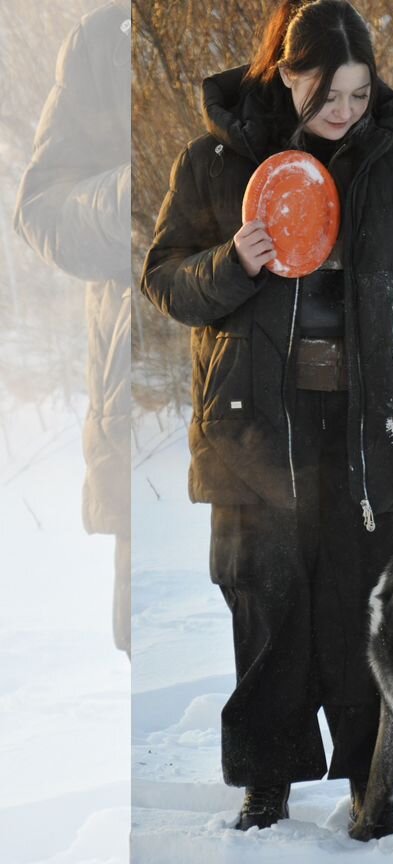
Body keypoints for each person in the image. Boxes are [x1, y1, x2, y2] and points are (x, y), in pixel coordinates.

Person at [140, 0, 393, 835]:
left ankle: (376, 780)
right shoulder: (214, 163)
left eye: (359, 94)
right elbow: (165, 279)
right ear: (285, 75)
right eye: (327, 96)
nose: (345, 113)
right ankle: (267, 781)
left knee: (366, 605)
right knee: (266, 598)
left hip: (360, 425)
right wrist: (231, 263)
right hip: (252, 424)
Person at [14, 0, 132, 658]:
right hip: (141, 409)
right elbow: (41, 209)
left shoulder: (294, 24)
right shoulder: (105, 39)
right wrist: (135, 196)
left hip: (289, 419)